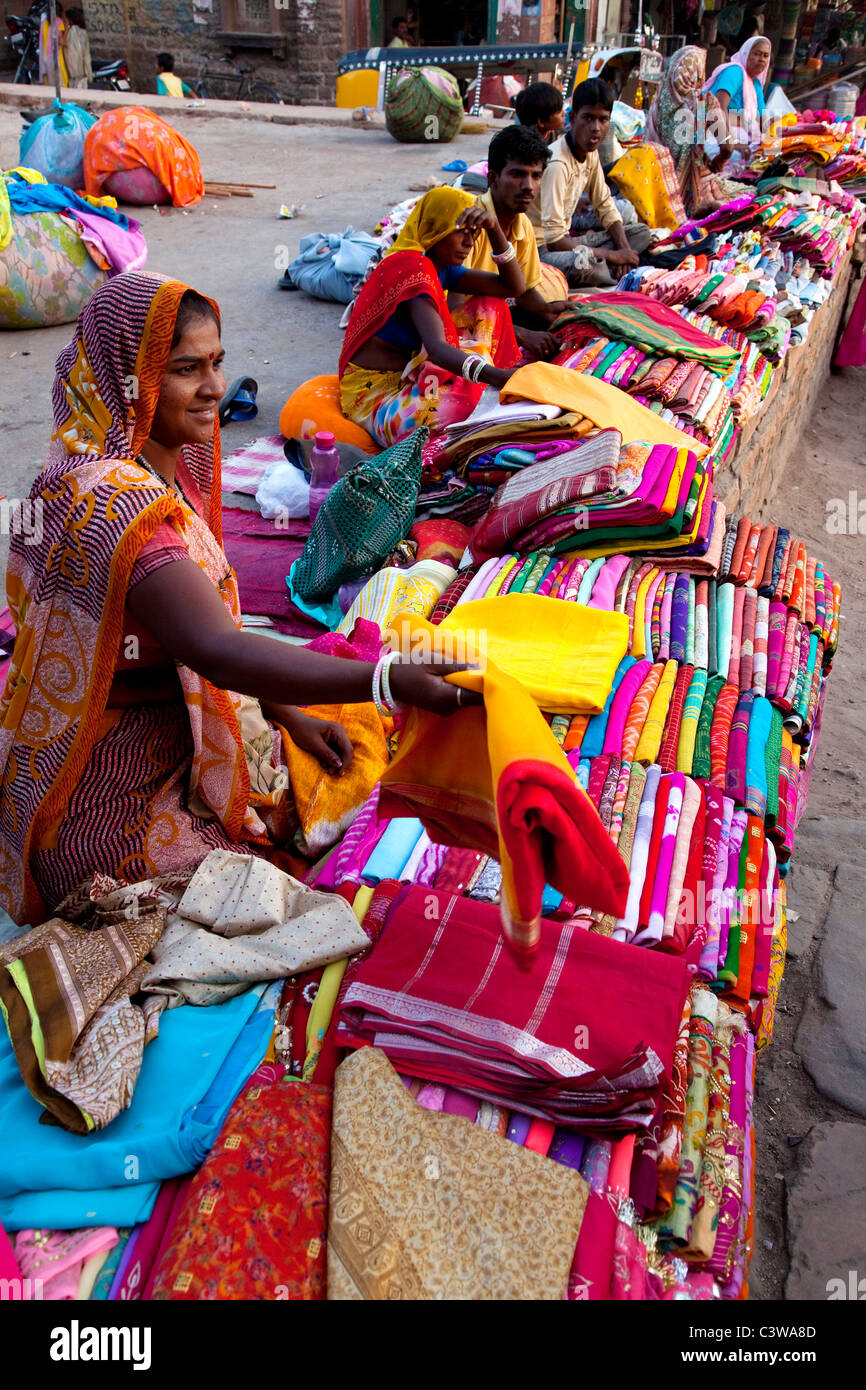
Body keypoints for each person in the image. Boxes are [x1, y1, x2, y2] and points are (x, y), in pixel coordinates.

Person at [0, 272, 479, 927]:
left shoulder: (136, 474)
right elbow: (219, 649)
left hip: (163, 734)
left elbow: (210, 638)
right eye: (186, 370)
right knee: (285, 907)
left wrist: (288, 714)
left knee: (337, 750)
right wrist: (390, 681)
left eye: (218, 362)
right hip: (102, 804)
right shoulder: (116, 507)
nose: (215, 389)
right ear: (126, 376)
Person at [339, 186, 523, 447]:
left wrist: (495, 230)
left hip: (413, 370)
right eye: (461, 233)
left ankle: (477, 378)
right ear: (435, 229)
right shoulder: (412, 266)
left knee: (490, 304)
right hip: (377, 396)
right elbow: (437, 349)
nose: (469, 243)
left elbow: (512, 287)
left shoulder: (443, 268)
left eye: (474, 234)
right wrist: (500, 378)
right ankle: (480, 381)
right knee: (463, 402)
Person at [528, 78, 653, 289]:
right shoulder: (558, 163)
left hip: (568, 242)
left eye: (603, 120)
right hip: (542, 250)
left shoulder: (590, 154)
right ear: (573, 117)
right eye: (588, 118)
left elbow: (604, 204)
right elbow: (555, 242)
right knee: (581, 265)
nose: (595, 128)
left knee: (640, 233)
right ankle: (613, 274)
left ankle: (611, 268)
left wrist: (623, 251)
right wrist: (614, 255)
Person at [463, 124, 569, 360]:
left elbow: (524, 290)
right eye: (517, 174)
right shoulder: (469, 223)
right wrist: (518, 334)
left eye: (536, 175)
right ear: (493, 178)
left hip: (486, 316)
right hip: (452, 321)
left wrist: (546, 309)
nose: (528, 186)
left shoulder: (523, 226)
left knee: (559, 330)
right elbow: (449, 309)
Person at [644, 45, 747, 215]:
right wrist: (718, 162)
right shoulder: (704, 102)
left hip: (653, 191)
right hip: (690, 195)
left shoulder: (658, 101)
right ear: (697, 73)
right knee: (746, 195)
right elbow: (727, 147)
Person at [705, 35, 772, 153]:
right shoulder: (734, 72)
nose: (761, 59)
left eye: (765, 56)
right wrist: (731, 143)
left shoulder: (755, 84)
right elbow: (718, 108)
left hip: (736, 134)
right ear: (746, 54)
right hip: (712, 132)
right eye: (756, 54)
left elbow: (763, 121)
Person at [38, 2, 68, 86]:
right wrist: (66, 29)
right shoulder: (60, 22)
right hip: (56, 57)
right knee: (60, 82)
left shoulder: (43, 24)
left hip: (45, 58)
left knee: (49, 83)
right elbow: (61, 41)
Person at [63, 8, 92, 89]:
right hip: (82, 68)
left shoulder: (71, 31)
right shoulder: (83, 32)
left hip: (72, 69)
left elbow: (63, 43)